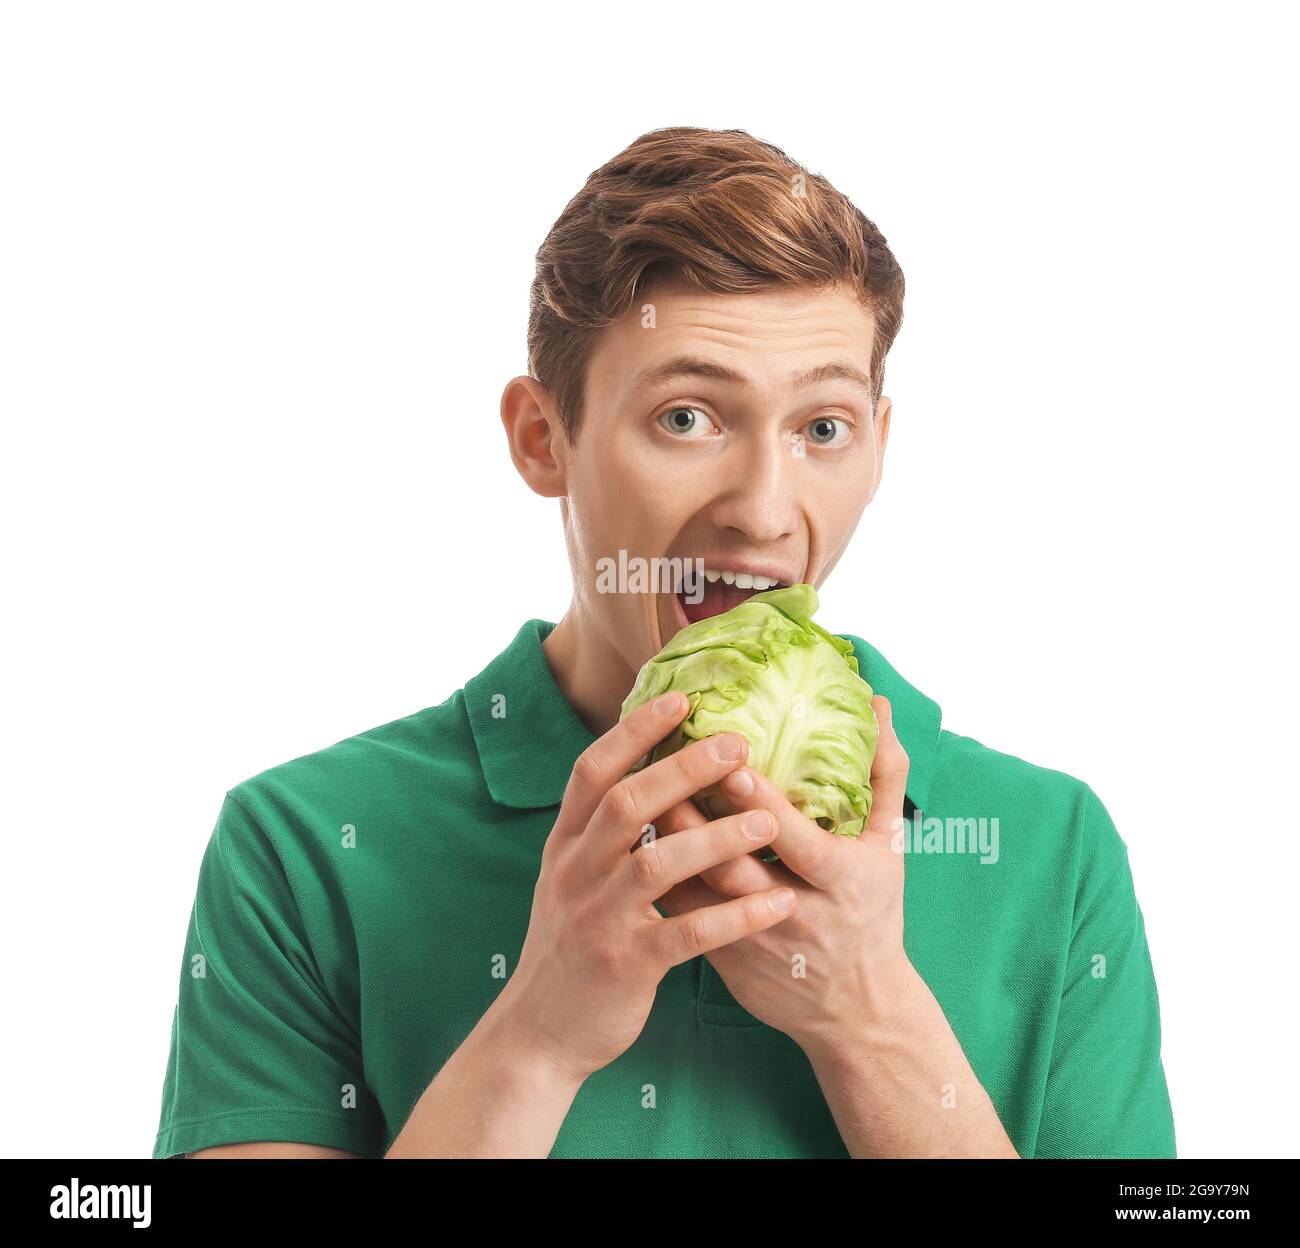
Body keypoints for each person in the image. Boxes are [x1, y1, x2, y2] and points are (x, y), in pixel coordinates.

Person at [153, 126, 1175, 1159]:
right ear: (541, 438)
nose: (764, 512)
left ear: (878, 446)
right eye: (687, 418)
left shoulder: (1051, 847)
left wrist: (868, 1018)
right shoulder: (306, 846)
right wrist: (540, 1033)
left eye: (822, 428)